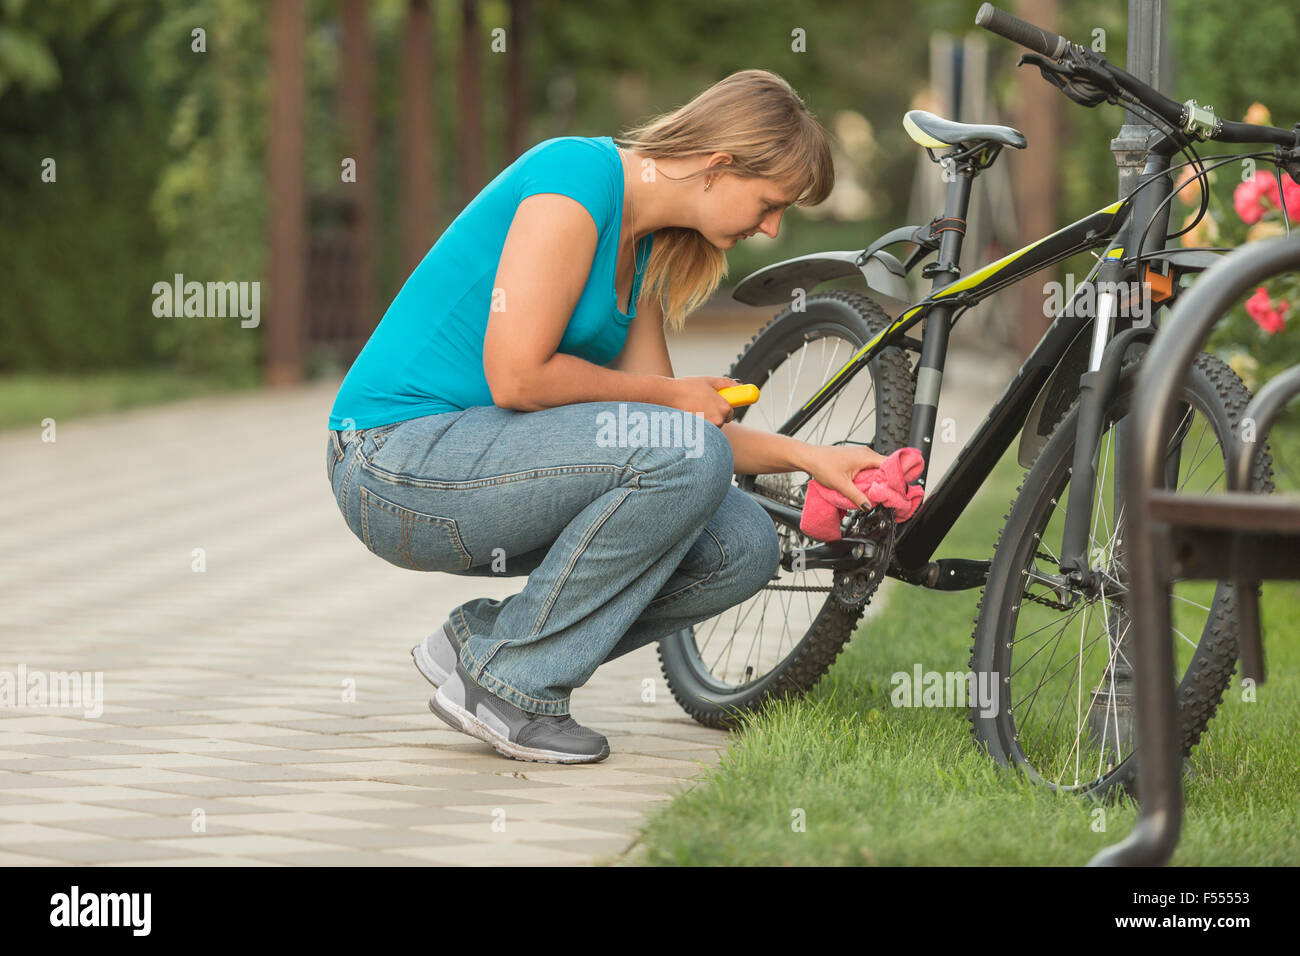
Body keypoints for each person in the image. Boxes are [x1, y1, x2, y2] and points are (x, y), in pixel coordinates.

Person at [325, 68, 887, 764]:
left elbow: (677, 445)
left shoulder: (642, 250)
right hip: (390, 464)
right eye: (771, 203)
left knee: (745, 544)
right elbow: (518, 376)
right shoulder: (574, 179)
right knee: (684, 450)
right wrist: (672, 401)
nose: (770, 227)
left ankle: (487, 645)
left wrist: (811, 460)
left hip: (473, 471)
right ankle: (509, 687)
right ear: (719, 165)